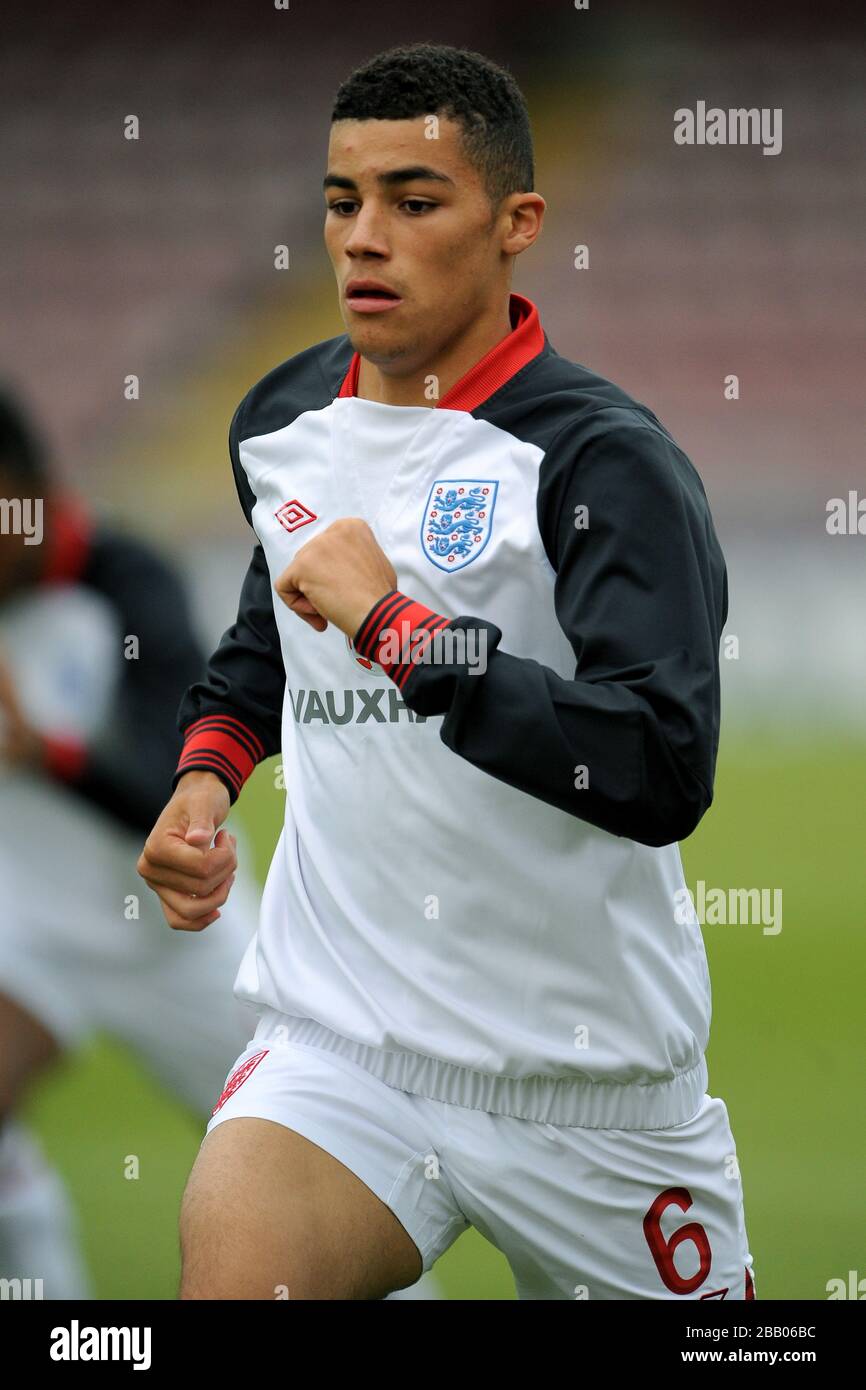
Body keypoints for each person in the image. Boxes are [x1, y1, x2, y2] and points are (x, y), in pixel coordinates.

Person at [138, 43, 756, 1301]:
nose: (363, 236)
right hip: (343, 1049)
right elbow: (273, 629)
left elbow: (656, 761)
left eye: (413, 203)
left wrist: (403, 634)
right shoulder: (281, 422)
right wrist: (209, 773)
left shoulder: (604, 463)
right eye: (339, 201)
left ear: (515, 223)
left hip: (591, 1088)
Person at [0, 388, 260, 1298]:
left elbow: (170, 779)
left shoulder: (129, 580)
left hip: (178, 939)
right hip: (26, 938)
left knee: (306, 1170)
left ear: (31, 495)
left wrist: (46, 753)